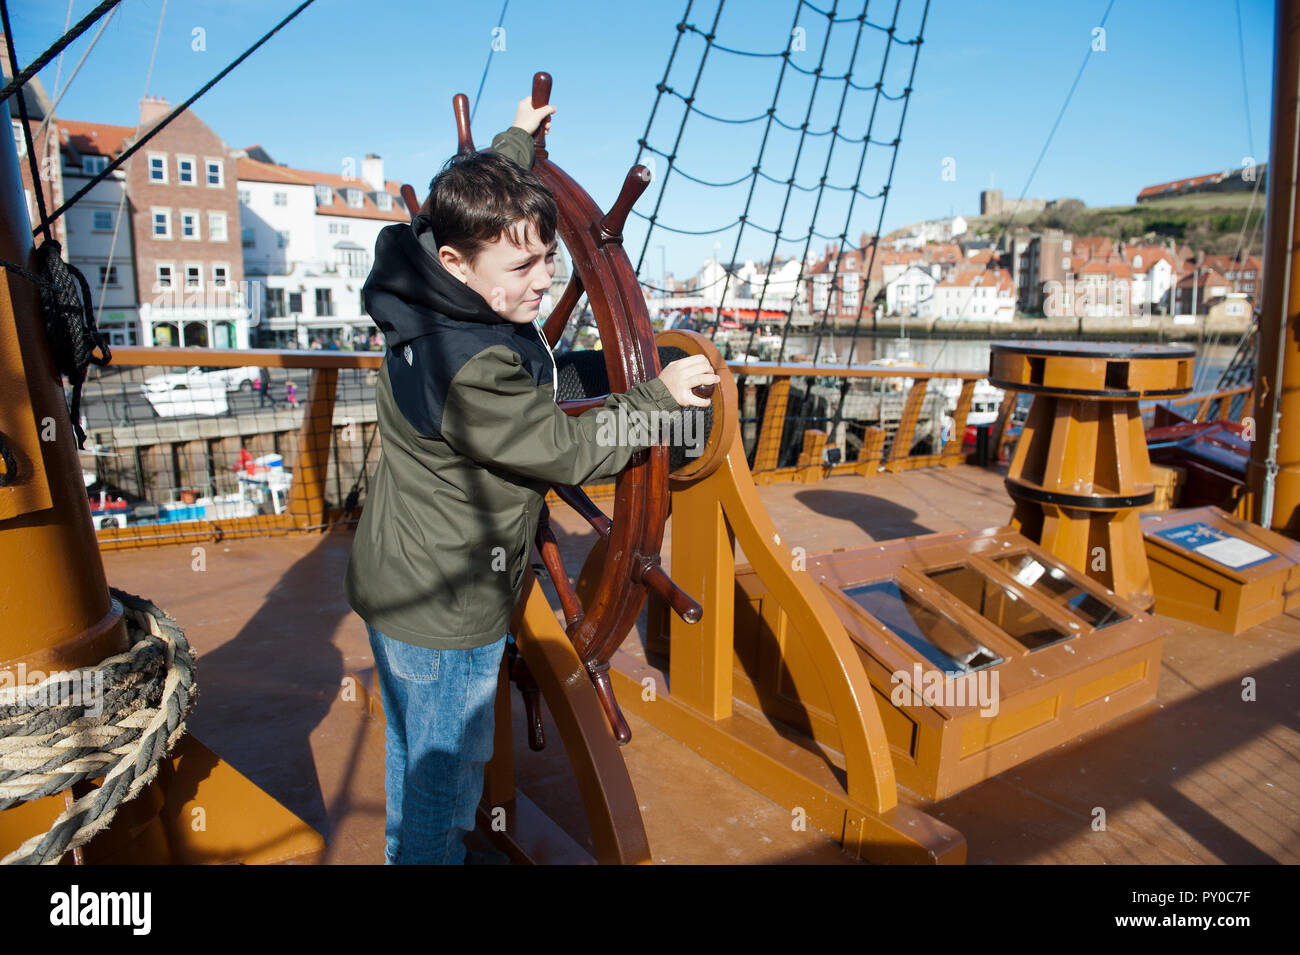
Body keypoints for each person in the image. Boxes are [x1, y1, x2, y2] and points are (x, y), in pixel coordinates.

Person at [343, 94, 718, 865]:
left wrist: (515, 141)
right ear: (458, 263)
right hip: (447, 614)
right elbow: (569, 450)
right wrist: (660, 396)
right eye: (525, 265)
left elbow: (467, 195)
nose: (547, 276)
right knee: (444, 798)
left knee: (412, 761)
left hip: (395, 586)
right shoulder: (475, 367)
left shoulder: (419, 267)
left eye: (550, 255)